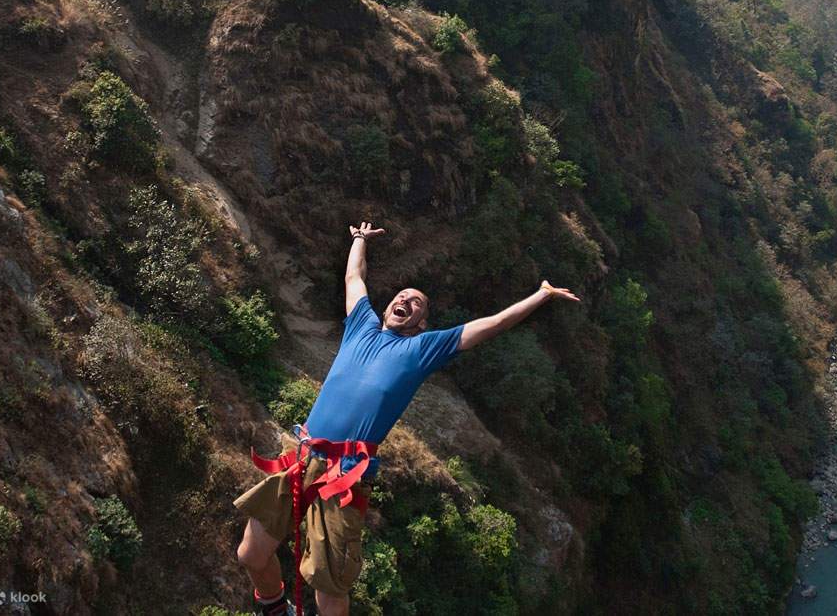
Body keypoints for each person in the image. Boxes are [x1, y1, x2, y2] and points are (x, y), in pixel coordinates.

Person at [235, 222, 580, 616]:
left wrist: (542, 295)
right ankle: (275, 610)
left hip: (342, 476)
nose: (406, 300)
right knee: (250, 554)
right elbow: (354, 276)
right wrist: (359, 240)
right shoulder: (360, 327)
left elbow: (494, 324)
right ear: (386, 308)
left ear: (421, 324)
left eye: (416, 303)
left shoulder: (422, 350)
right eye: (402, 295)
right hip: (300, 453)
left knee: (328, 590)